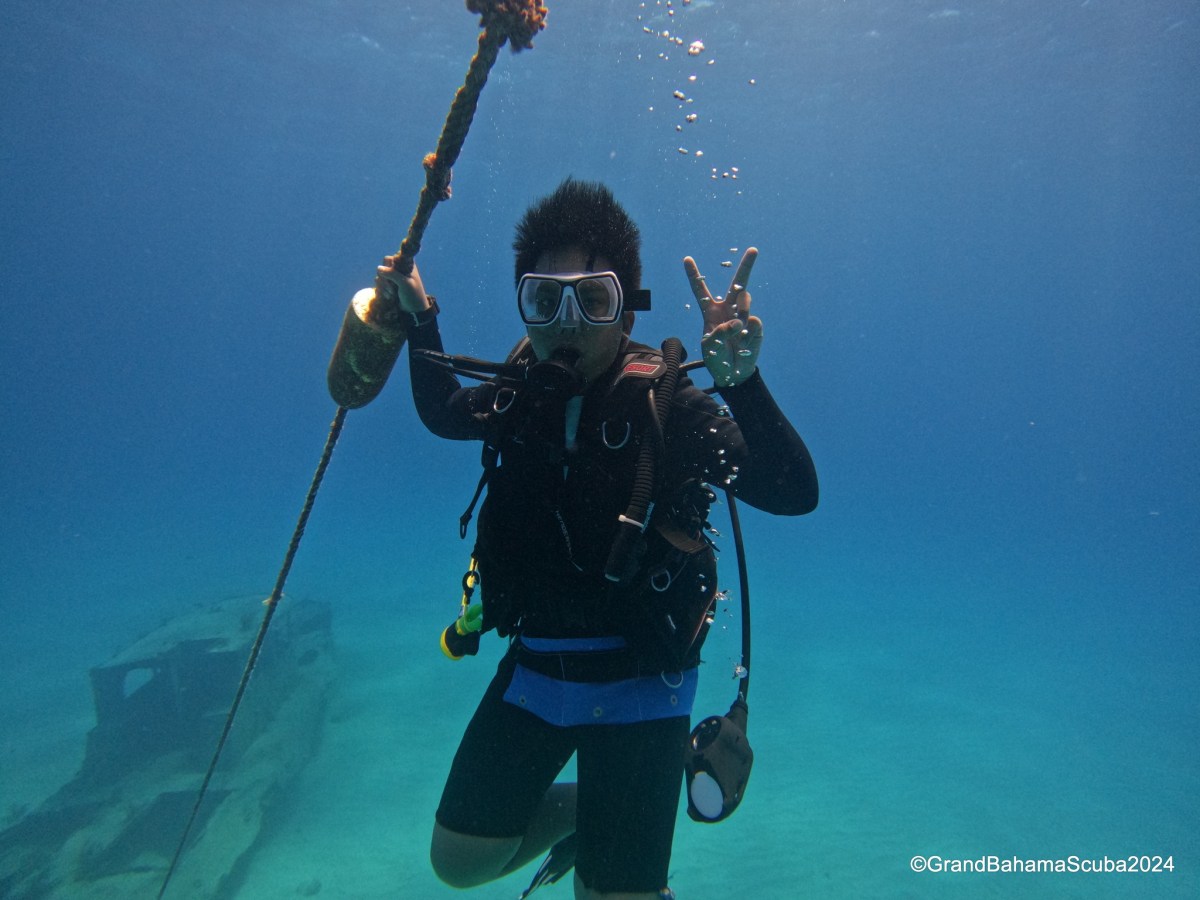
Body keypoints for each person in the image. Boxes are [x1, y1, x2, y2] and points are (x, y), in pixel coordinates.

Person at [374, 178, 818, 899]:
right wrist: (420, 318)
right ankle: (599, 810)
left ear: (628, 306)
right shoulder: (517, 396)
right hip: (539, 670)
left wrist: (744, 383)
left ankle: (627, 821)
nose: (568, 324)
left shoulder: (669, 406)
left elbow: (792, 493)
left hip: (647, 680)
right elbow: (441, 410)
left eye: (595, 300)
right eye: (545, 301)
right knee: (459, 861)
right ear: (524, 303)